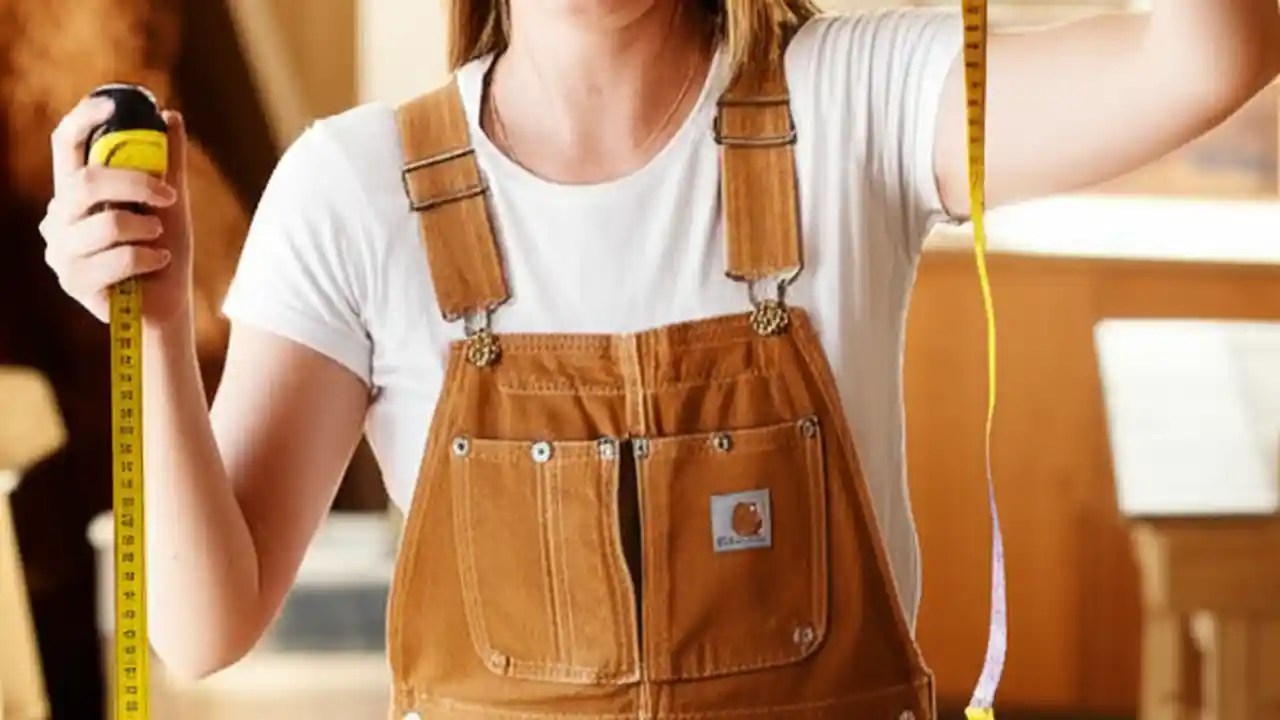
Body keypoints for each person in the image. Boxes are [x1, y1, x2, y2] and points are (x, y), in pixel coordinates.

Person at [38, 0, 1280, 718]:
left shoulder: (856, 101)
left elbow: (1209, 54)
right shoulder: (351, 189)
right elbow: (203, 629)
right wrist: (143, 318)